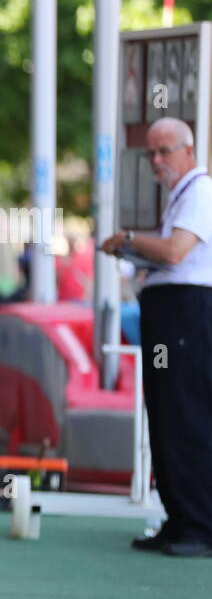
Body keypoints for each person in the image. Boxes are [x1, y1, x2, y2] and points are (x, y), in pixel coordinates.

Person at [101, 117, 212, 556]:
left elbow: (175, 252)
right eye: (151, 153)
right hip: (172, 311)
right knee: (166, 415)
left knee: (185, 415)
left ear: (189, 151)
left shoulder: (200, 192)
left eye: (165, 151)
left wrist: (128, 239)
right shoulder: (184, 197)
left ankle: (198, 526)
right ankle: (180, 518)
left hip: (186, 314)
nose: (156, 161)